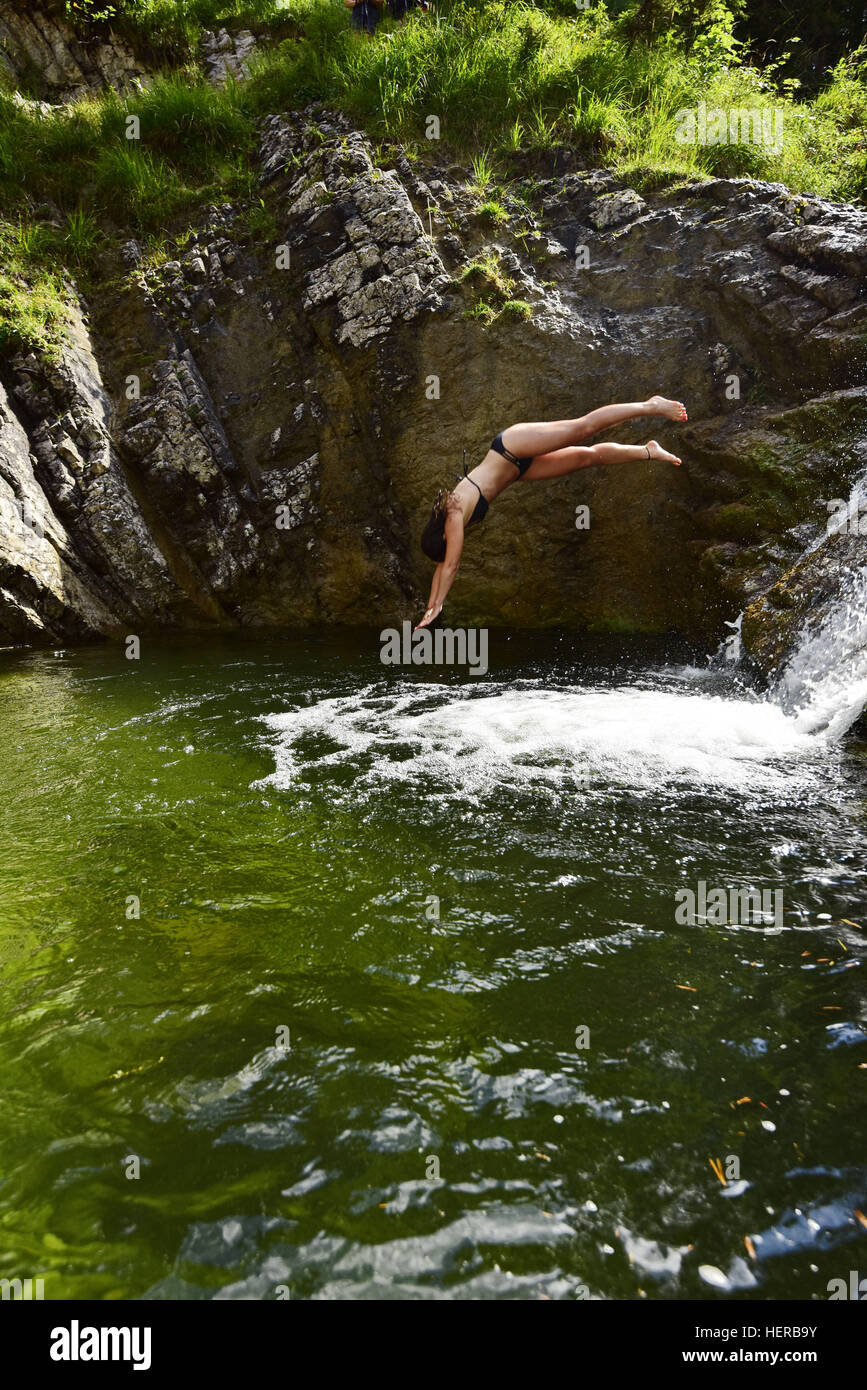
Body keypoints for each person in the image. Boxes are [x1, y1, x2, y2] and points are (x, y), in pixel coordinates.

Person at [416, 396, 688, 629]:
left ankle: (651, 405)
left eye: (446, 548)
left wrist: (439, 605)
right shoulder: (446, 527)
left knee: (584, 427)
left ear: (442, 537)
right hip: (518, 469)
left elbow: (451, 565)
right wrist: (429, 610)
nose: (450, 551)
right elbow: (443, 568)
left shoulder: (452, 515)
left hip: (510, 447)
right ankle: (648, 451)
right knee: (586, 457)